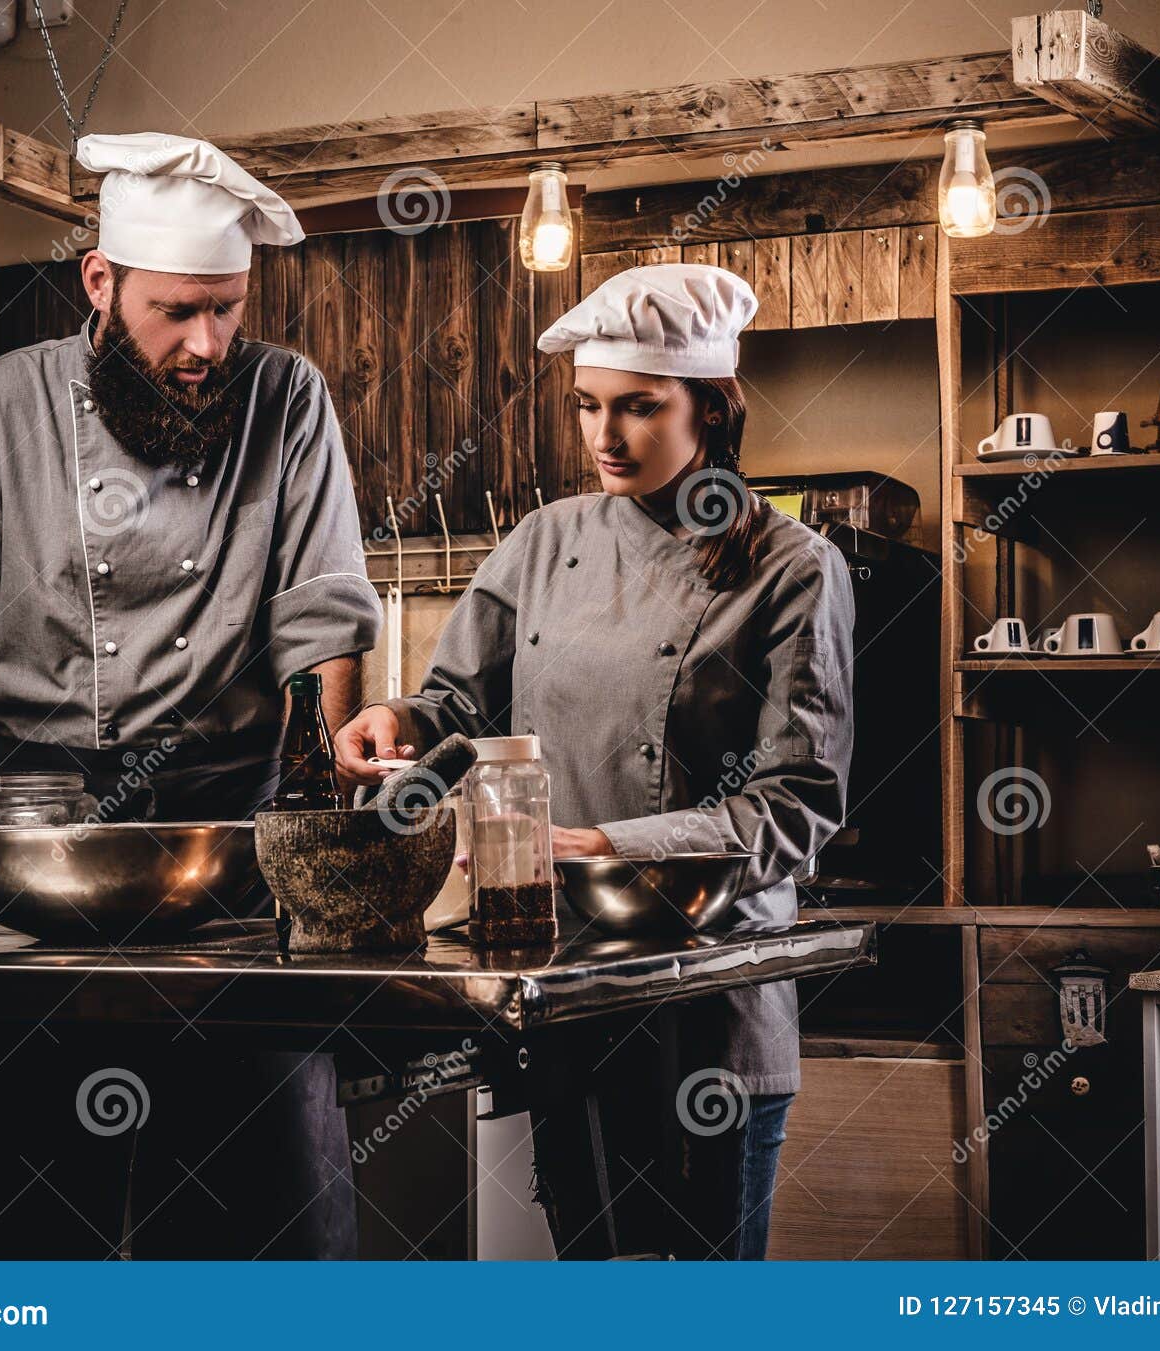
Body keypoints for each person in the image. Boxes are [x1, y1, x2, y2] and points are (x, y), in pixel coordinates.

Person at [0, 133, 379, 1258]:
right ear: (99, 283)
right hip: (35, 882)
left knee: (275, 1245)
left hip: (232, 883)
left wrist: (333, 815)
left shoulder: (286, 399)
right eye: (176, 312)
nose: (207, 344)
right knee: (38, 1240)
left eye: (227, 310)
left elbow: (322, 632)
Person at [334, 264, 855, 1259]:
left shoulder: (791, 566)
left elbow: (796, 803)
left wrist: (601, 842)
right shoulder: (541, 542)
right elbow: (455, 711)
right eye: (585, 406)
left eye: (636, 408)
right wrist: (390, 720)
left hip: (707, 996)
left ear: (711, 406)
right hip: (563, 985)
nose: (603, 437)